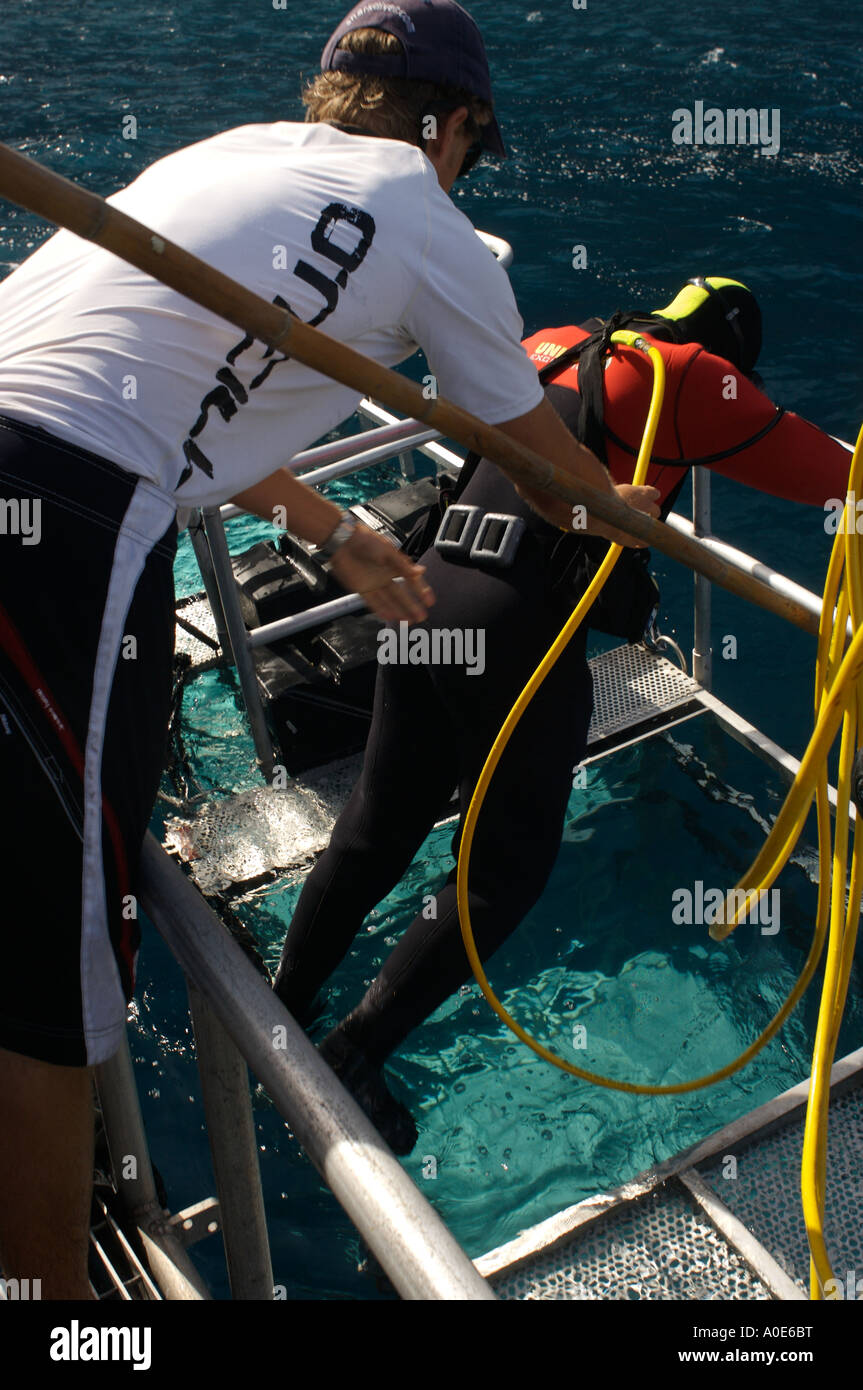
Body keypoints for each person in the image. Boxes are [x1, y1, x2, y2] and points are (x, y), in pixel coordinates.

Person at [0, 1, 659, 1298]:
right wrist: (629, 515)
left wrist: (339, 527)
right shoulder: (430, 222)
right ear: (454, 123)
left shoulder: (223, 160)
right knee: (57, 950)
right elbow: (547, 478)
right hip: (58, 526)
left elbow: (177, 378)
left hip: (47, 475)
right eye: (474, 144)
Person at [273, 276, 856, 1155]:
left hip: (430, 589)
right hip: (515, 624)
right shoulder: (691, 377)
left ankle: (280, 1012)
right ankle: (356, 1050)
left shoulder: (557, 342)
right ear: (729, 352)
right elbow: (832, 477)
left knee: (373, 832)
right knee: (501, 867)